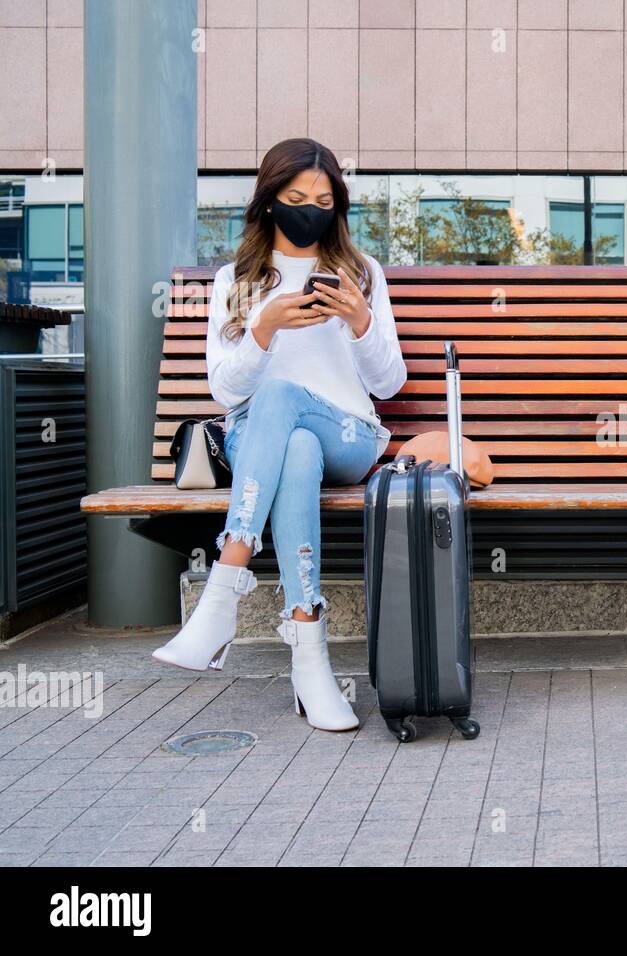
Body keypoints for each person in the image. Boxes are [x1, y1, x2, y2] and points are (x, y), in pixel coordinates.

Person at [152, 138, 406, 731]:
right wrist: (263, 327)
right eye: (296, 198)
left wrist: (360, 321)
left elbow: (389, 384)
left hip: (349, 435)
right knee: (293, 442)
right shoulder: (235, 280)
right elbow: (224, 391)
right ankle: (311, 664)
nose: (310, 209)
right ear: (270, 202)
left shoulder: (360, 274)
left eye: (323, 199)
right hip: (263, 441)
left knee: (287, 400)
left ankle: (223, 593)